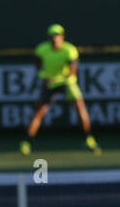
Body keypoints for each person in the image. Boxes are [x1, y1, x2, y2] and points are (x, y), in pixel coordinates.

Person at [20, 24, 99, 155]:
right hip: (49, 84)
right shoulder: (42, 49)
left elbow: (73, 71)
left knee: (80, 108)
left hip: (68, 83)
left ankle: (89, 139)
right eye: (52, 36)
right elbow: (37, 64)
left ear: (62, 37)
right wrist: (43, 76)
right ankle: (27, 142)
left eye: (57, 35)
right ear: (49, 37)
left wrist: (57, 79)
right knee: (39, 111)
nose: (55, 38)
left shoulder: (70, 50)